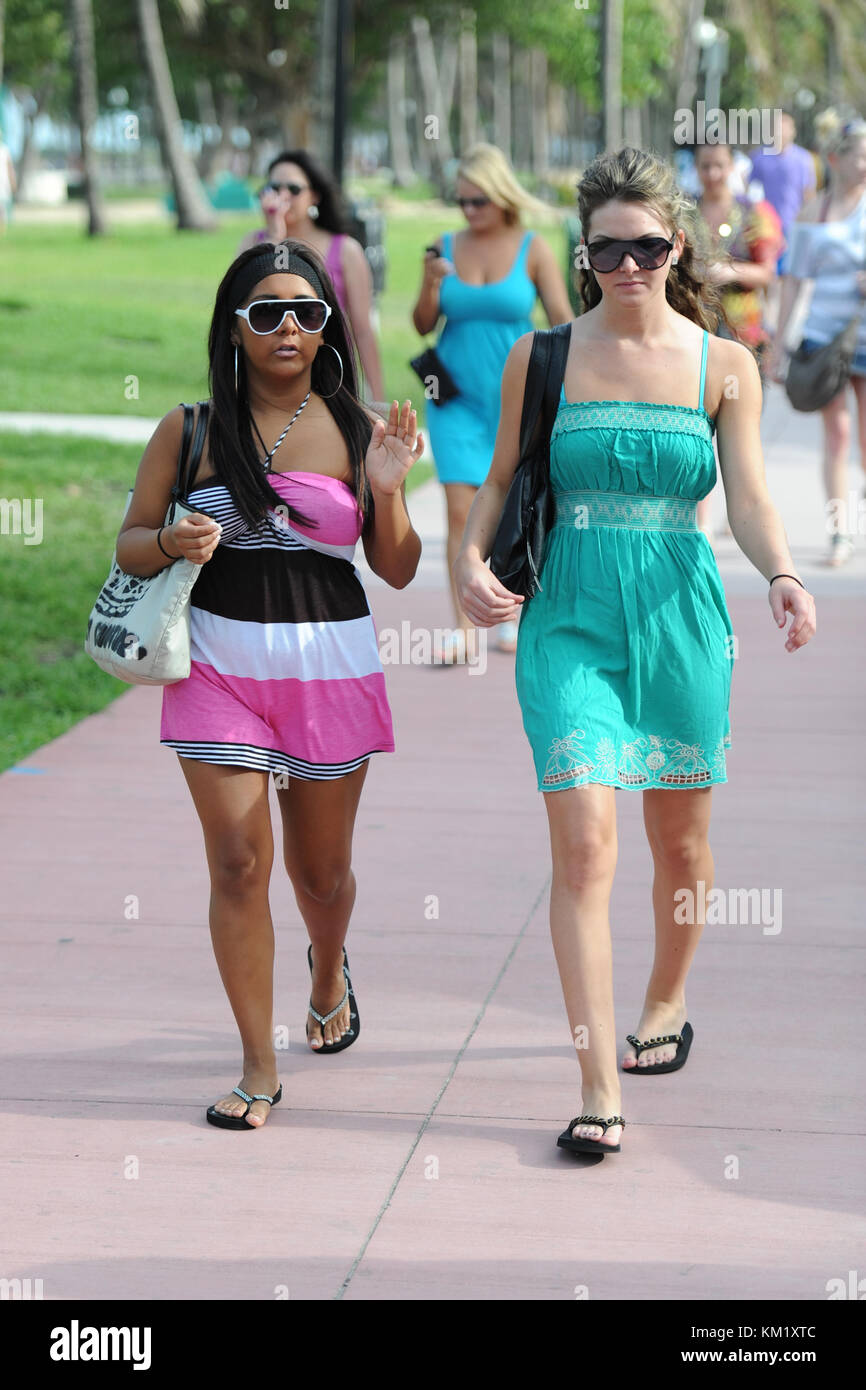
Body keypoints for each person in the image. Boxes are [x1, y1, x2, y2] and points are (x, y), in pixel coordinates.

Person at [454, 146, 816, 1157]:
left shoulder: (723, 365)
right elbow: (494, 482)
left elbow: (744, 496)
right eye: (607, 248)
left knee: (681, 847)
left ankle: (664, 998)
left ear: (675, 245)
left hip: (678, 619)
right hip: (568, 613)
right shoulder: (544, 356)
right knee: (583, 846)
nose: (627, 265)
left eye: (646, 246)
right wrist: (467, 562)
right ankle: (595, 1083)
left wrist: (782, 572)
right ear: (582, 252)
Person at [115, 240, 423, 1129]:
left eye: (307, 311)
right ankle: (258, 1067)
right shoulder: (190, 428)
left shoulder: (360, 426)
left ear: (327, 326)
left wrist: (388, 492)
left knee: (322, 877)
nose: (289, 327)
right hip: (217, 669)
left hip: (328, 672)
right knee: (240, 862)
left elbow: (397, 570)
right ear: (235, 326)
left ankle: (329, 969)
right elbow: (131, 540)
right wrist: (171, 541)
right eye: (266, 312)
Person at [411, 142, 572, 661]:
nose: (469, 211)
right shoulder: (444, 245)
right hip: (453, 398)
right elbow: (420, 324)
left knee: (511, 508)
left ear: (502, 196)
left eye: (478, 200)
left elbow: (564, 323)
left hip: (516, 398)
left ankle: (506, 610)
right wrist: (431, 286)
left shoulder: (535, 248)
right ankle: (462, 629)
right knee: (459, 508)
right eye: (462, 202)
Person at [767, 110, 866, 568]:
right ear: (835, 159)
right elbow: (793, 281)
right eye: (857, 156)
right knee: (837, 433)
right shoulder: (814, 211)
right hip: (824, 341)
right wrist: (778, 344)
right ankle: (839, 533)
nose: (863, 165)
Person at [238, 149, 384, 403]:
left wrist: (377, 400)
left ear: (314, 195)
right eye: (274, 187)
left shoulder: (346, 250)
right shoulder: (253, 242)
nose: (283, 197)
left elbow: (362, 330)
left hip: (328, 378)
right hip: (267, 377)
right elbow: (241, 306)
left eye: (293, 189)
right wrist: (275, 236)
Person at [747, 111, 817, 278]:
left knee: (790, 274)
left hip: (792, 228)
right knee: (767, 273)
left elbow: (809, 195)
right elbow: (749, 192)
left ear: (793, 131)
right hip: (766, 228)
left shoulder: (803, 159)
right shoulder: (759, 158)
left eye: (784, 128)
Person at [0, 127, 16, 233]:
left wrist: (12, 182)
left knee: (2, 207)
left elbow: (10, 168)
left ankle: (2, 228)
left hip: (3, 182)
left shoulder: (4, 150)